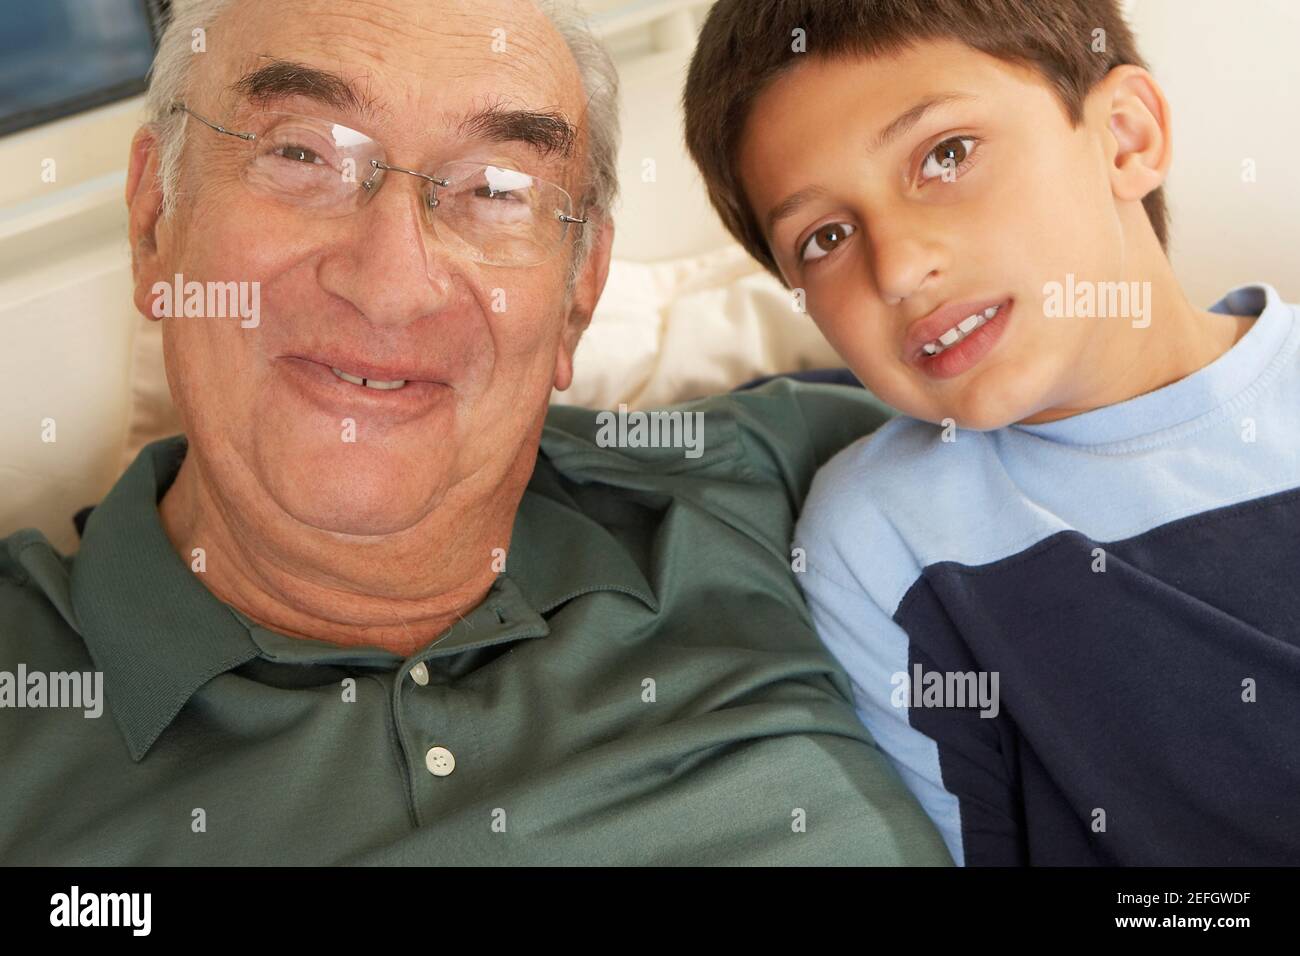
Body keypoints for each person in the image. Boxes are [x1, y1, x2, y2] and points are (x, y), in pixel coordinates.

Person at [0, 0, 953, 865]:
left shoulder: (785, 483)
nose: (392, 283)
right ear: (155, 216)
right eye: (302, 155)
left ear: (580, 292)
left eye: (496, 189)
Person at [683, 0, 1300, 864]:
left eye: (946, 154)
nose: (898, 268)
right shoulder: (882, 537)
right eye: (825, 237)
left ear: (1125, 139)